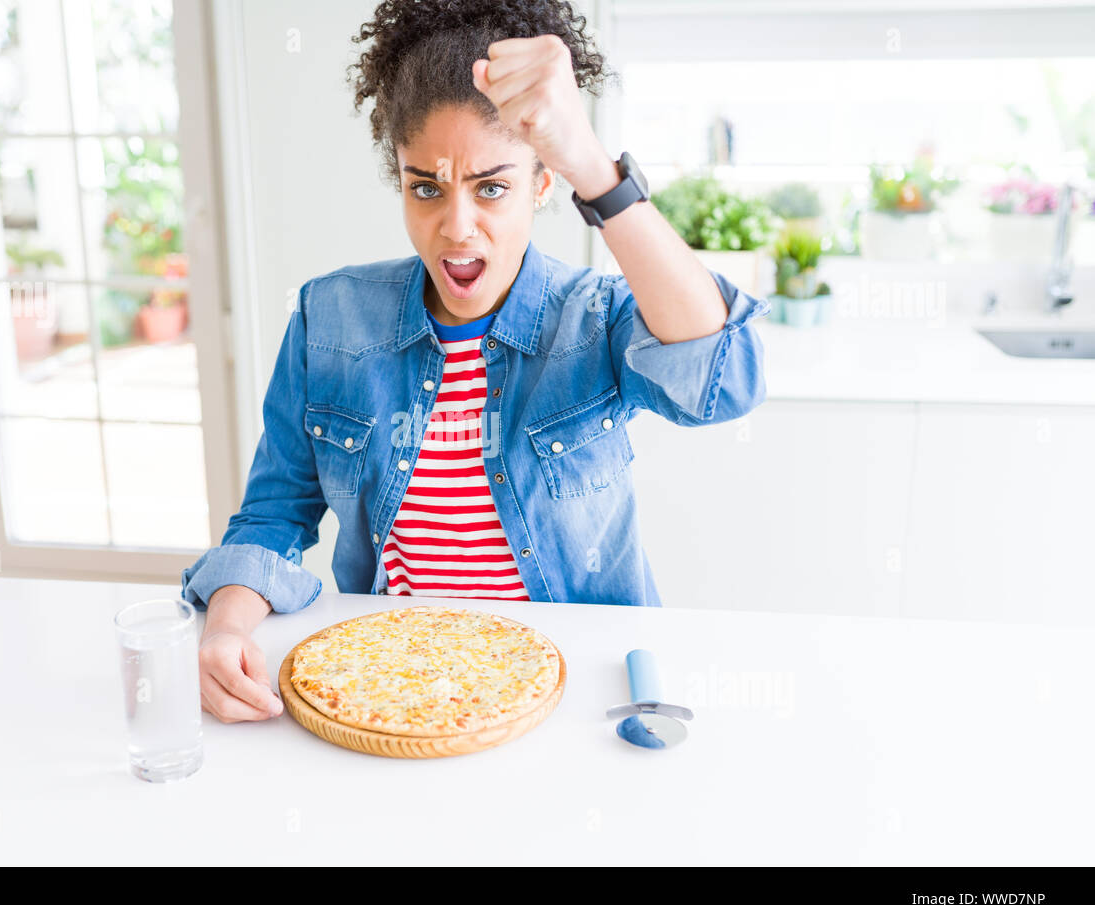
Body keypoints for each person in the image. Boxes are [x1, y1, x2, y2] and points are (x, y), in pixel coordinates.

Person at [183, 0, 769, 724]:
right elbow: (273, 515)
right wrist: (227, 627)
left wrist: (590, 162)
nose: (457, 228)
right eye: (425, 186)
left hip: (575, 697)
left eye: (492, 187)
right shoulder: (329, 321)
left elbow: (725, 379)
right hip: (398, 688)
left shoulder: (594, 317)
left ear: (543, 183)